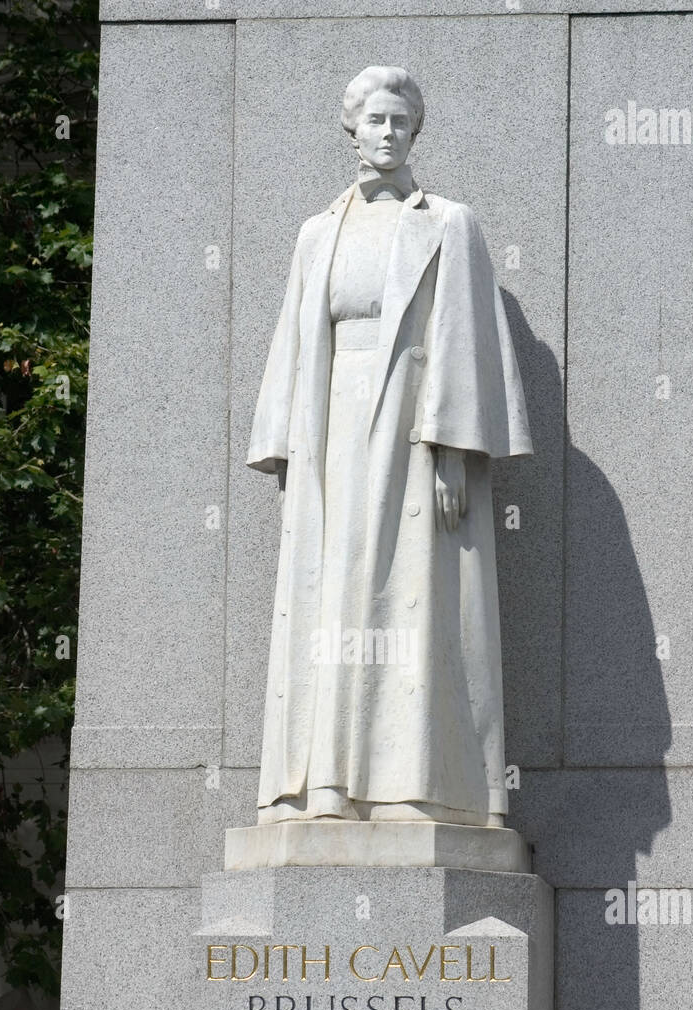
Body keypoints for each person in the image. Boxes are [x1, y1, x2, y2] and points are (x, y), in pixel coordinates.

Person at [247, 65, 532, 828]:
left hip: (412, 433)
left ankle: (415, 786)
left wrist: (450, 446)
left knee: (414, 599)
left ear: (415, 132)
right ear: (352, 129)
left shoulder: (449, 224)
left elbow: (465, 341)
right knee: (333, 601)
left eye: (399, 122)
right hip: (334, 434)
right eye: (373, 120)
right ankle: (326, 787)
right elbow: (296, 346)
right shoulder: (318, 233)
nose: (386, 133)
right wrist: (287, 446)